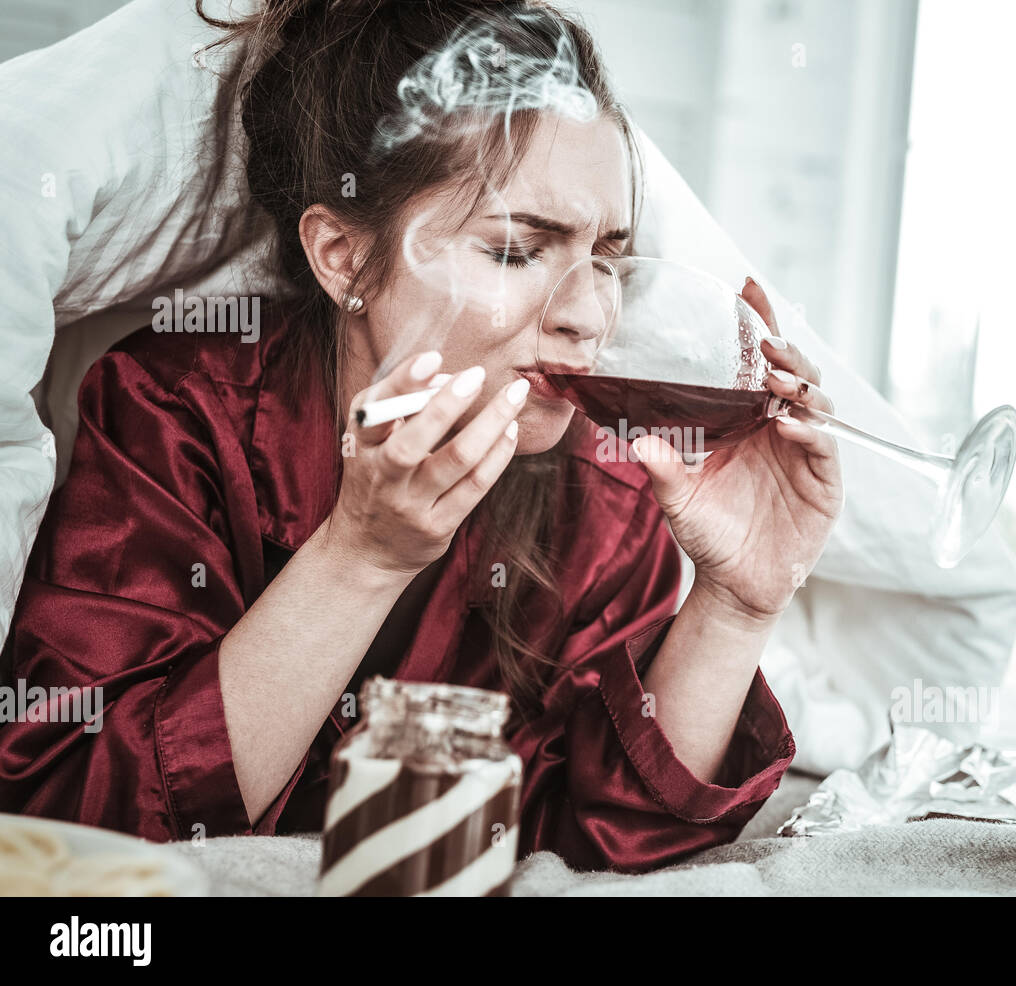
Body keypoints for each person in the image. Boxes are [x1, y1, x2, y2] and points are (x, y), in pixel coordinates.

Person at [0, 0, 844, 875]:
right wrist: (361, 558)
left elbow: (602, 854)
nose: (590, 317)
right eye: (518, 251)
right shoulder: (172, 410)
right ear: (342, 257)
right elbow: (73, 822)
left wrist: (737, 605)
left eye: (606, 258)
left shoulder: (603, 478)